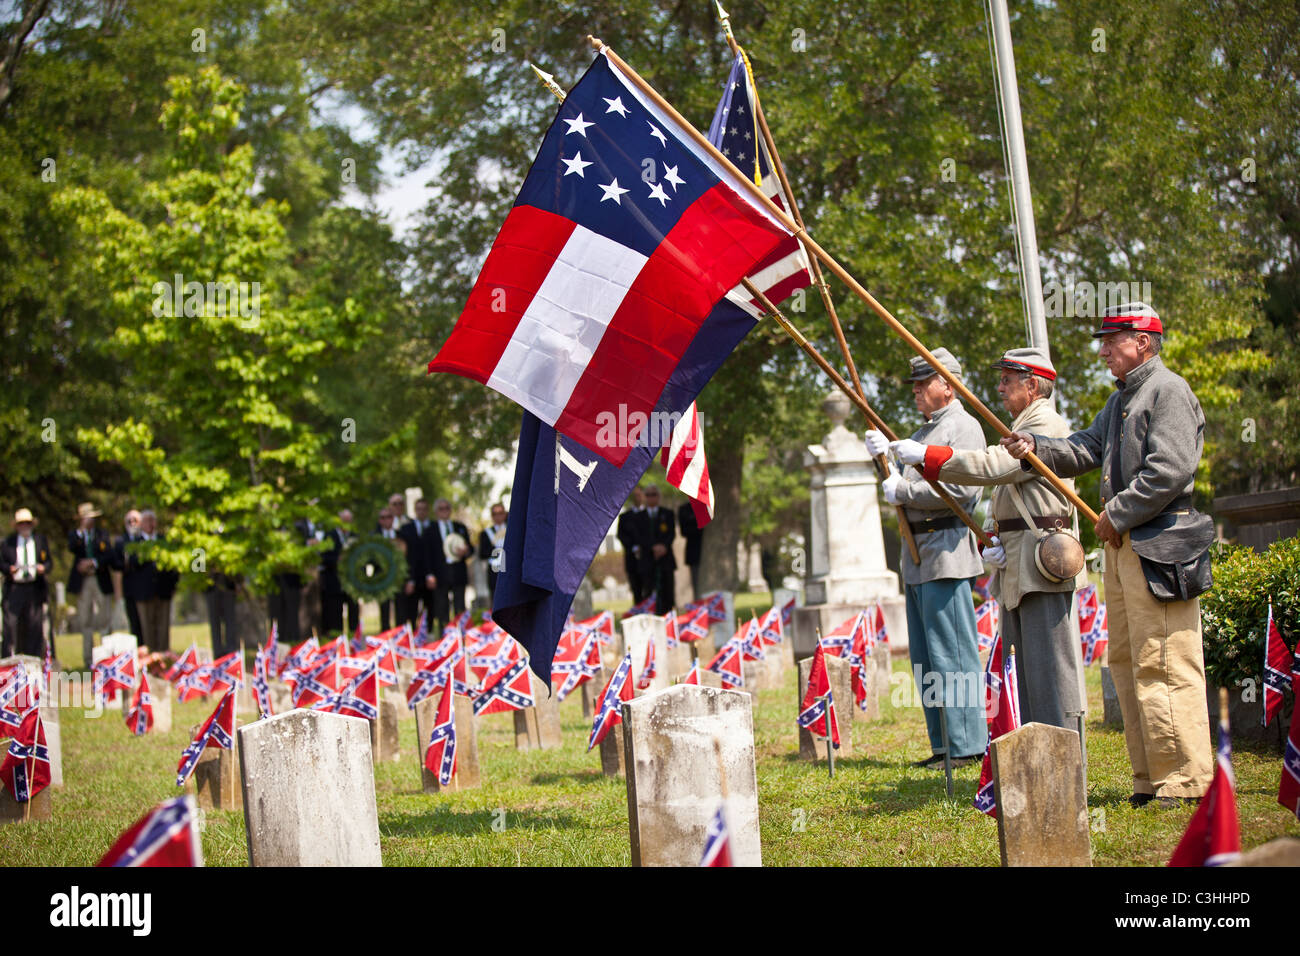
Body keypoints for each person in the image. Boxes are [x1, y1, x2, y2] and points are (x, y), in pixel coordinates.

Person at [1001, 303, 1213, 808]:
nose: (1101, 352)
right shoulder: (1120, 402)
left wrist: (1115, 514)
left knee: (1164, 661)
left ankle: (1184, 781)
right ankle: (1150, 778)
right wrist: (1036, 446)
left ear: (1142, 342)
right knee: (1128, 662)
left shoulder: (1169, 391)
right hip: (1127, 548)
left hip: (1159, 544)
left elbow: (1169, 472)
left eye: (1110, 341)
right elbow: (1084, 448)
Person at [889, 347, 1086, 734]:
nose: (998, 388)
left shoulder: (1042, 422)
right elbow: (1008, 494)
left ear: (1032, 385)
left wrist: (930, 456)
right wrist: (994, 534)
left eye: (1007, 381)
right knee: (1021, 668)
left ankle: (1060, 750)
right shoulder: (1021, 423)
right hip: (1017, 563)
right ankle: (1033, 747)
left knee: (1048, 668)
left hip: (1042, 560)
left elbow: (995, 467)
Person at [865, 348, 986, 767]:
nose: (916, 391)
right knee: (926, 657)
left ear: (947, 386)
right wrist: (882, 461)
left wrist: (906, 492)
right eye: (914, 384)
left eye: (923, 383)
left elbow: (963, 490)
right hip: (917, 554)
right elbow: (900, 480)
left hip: (947, 549)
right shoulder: (922, 433)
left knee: (952, 651)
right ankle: (943, 744)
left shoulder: (963, 428)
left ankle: (968, 745)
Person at [67, 502, 114, 667]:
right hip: (83, 581)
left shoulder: (102, 534)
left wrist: (93, 562)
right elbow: (72, 547)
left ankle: (107, 657)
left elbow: (109, 554)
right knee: (85, 620)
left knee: (104, 618)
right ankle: (89, 659)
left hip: (99, 578)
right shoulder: (75, 535)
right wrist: (81, 532)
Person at [2, 508, 51, 657]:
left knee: (34, 625)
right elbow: (1, 563)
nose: (25, 526)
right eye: (21, 524)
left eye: (27, 523)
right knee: (11, 625)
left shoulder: (39, 540)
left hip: (34, 587)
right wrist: (9, 569)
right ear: (17, 526)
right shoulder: (8, 542)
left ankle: (34, 660)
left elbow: (49, 561)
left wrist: (44, 568)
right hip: (15, 588)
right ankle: (8, 659)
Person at [137, 510, 178, 651]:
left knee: (163, 626)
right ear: (141, 524)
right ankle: (150, 659)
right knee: (147, 627)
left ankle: (163, 656)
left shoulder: (164, 541)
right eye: (146, 521)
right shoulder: (135, 543)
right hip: (144, 592)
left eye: (152, 520)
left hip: (163, 591)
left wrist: (173, 586)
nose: (150, 524)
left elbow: (174, 566)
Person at [430, 498, 471, 632]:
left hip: (458, 572)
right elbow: (427, 554)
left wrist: (466, 551)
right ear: (436, 511)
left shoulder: (460, 527)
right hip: (440, 574)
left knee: (460, 606)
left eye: (447, 508)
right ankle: (445, 636)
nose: (444, 511)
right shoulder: (431, 530)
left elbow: (471, 549)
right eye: (441, 508)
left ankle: (462, 635)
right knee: (442, 607)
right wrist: (429, 575)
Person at [398, 498, 439, 629]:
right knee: (411, 611)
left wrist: (431, 575)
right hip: (413, 577)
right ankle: (412, 637)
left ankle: (430, 635)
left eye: (424, 509)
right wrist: (409, 579)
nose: (421, 512)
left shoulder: (435, 527)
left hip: (431, 577)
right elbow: (405, 556)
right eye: (418, 509)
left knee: (430, 609)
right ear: (415, 510)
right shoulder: (405, 529)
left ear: (428, 510)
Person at [637, 484, 676, 615]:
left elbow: (671, 534)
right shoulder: (639, 517)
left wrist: (663, 547)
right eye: (648, 495)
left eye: (653, 495)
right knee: (648, 593)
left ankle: (668, 621)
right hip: (648, 561)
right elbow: (639, 536)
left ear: (658, 497)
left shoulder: (668, 514)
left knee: (668, 593)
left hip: (665, 561)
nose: (651, 498)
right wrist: (652, 547)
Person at [320, 509, 359, 637]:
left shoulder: (355, 536)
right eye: (344, 520)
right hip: (334, 583)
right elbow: (323, 558)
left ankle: (354, 642)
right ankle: (337, 642)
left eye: (348, 521)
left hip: (352, 584)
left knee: (353, 615)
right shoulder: (329, 536)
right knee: (335, 616)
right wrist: (338, 560)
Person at [113, 509, 145, 639]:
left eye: (135, 520)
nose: (132, 523)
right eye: (129, 521)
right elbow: (117, 566)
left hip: (144, 588)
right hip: (130, 589)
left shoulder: (144, 539)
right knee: (134, 623)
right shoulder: (120, 542)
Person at [616, 486, 646, 603]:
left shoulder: (648, 515)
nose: (637, 498)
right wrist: (633, 547)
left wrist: (643, 547)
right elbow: (621, 535)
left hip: (647, 559)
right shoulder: (624, 517)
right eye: (635, 496)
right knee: (636, 590)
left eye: (639, 495)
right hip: (632, 559)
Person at [375, 507, 403, 631]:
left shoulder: (402, 535)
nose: (386, 520)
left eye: (389, 517)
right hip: (382, 580)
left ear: (393, 519)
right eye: (383, 517)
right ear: (379, 520)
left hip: (399, 580)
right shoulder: (374, 537)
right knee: (384, 614)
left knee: (401, 613)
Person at [477, 502, 508, 607]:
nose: (498, 516)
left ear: (504, 514)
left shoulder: (512, 529)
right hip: (494, 570)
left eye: (500, 513)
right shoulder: (486, 533)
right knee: (495, 600)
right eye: (495, 513)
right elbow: (482, 553)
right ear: (492, 516)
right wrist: (496, 548)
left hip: (509, 568)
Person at [678, 500, 704, 601]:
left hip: (706, 552)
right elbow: (684, 531)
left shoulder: (706, 506)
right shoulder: (684, 509)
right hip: (694, 552)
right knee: (696, 583)